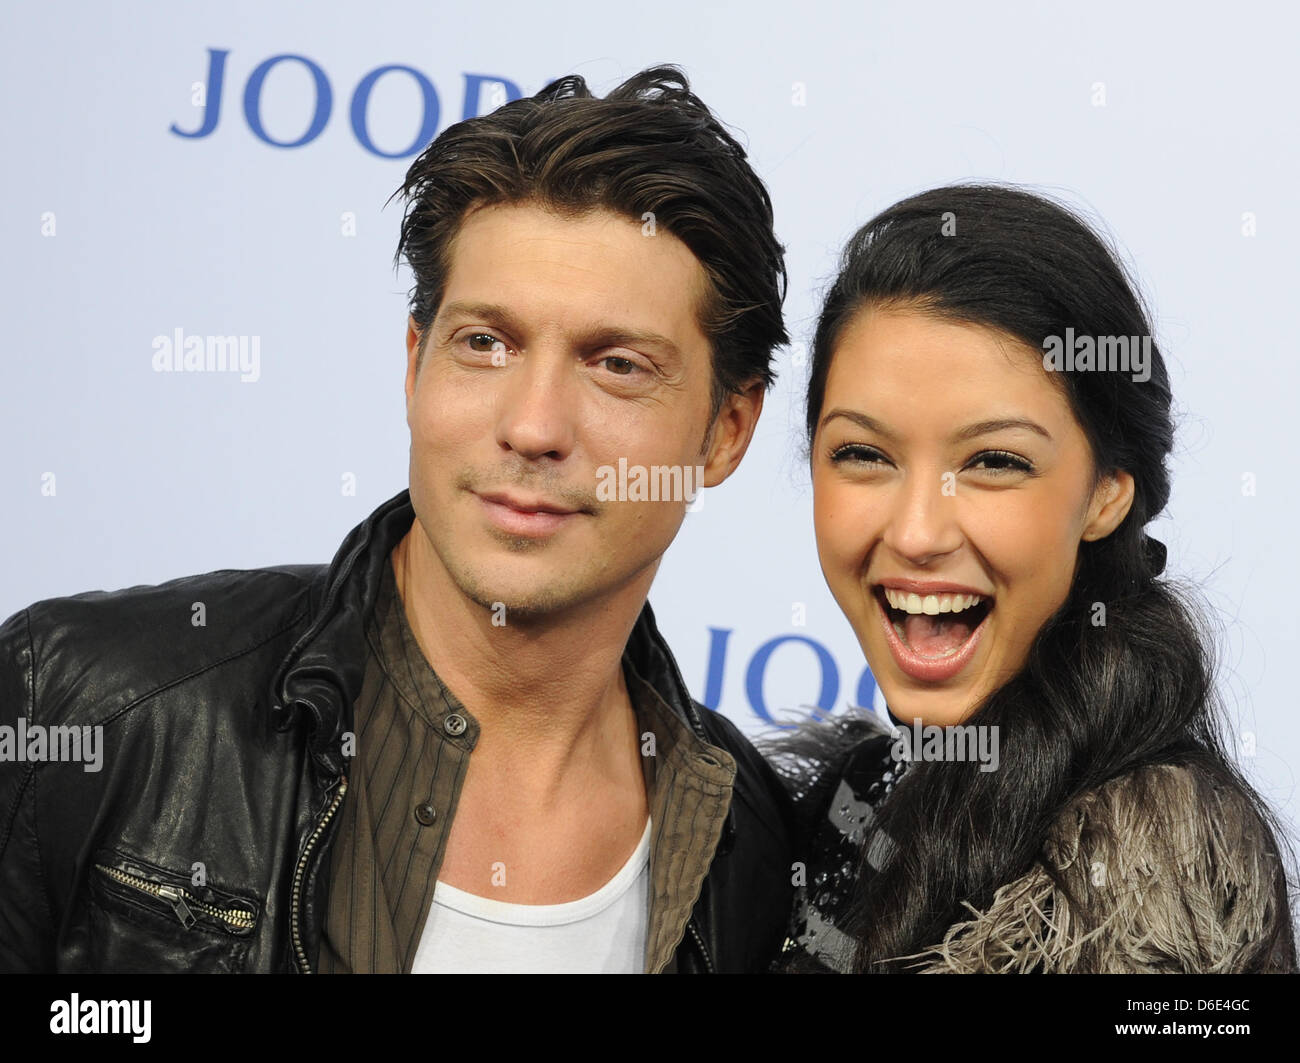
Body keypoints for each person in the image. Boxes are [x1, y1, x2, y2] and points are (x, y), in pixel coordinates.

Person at [0, 66, 796, 974]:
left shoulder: (754, 846)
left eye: (615, 364)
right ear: (415, 364)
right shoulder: (88, 705)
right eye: (485, 344)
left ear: (727, 431)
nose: (532, 426)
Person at [769, 183, 1297, 973]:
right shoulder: (844, 801)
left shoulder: (1151, 865)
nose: (916, 532)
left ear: (1106, 492)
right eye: (864, 454)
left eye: (994, 462)